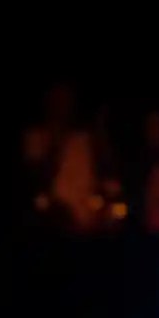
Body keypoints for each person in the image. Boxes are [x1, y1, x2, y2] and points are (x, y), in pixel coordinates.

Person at [21, 83, 105, 234]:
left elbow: (96, 179)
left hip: (86, 225)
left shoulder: (83, 140)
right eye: (57, 100)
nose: (62, 107)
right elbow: (35, 181)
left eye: (66, 100)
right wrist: (55, 146)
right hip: (52, 226)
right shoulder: (36, 137)